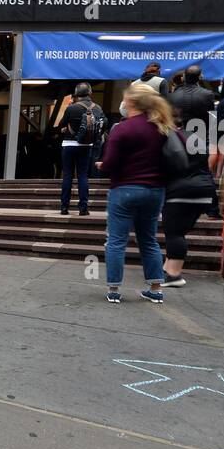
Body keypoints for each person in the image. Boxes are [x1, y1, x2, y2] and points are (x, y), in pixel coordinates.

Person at [97, 82, 171, 304]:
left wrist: (102, 165)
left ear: (130, 102)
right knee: (149, 240)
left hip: (125, 189)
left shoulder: (122, 128)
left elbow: (110, 163)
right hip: (155, 191)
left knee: (117, 241)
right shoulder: (163, 127)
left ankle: (114, 289)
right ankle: (156, 288)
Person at [160, 124, 218, 288]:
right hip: (203, 187)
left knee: (175, 232)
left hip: (182, 189)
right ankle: (168, 268)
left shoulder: (169, 138)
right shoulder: (192, 136)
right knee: (179, 231)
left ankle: (174, 274)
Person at [58, 82, 105, 216]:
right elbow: (103, 125)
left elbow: (61, 124)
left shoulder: (72, 108)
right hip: (86, 146)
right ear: (90, 93)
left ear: (77, 94)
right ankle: (83, 208)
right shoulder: (98, 109)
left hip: (68, 144)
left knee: (67, 175)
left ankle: (64, 208)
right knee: (83, 175)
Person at [168, 65, 217, 133]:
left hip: (179, 135)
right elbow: (211, 119)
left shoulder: (172, 96)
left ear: (183, 78)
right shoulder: (208, 94)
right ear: (200, 77)